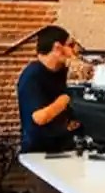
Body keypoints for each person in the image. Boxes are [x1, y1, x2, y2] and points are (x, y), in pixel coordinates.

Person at [17, 25, 78, 154]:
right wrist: (65, 100)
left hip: (64, 147)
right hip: (39, 152)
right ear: (57, 47)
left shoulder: (63, 72)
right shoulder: (32, 76)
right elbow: (39, 117)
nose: (75, 51)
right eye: (70, 45)